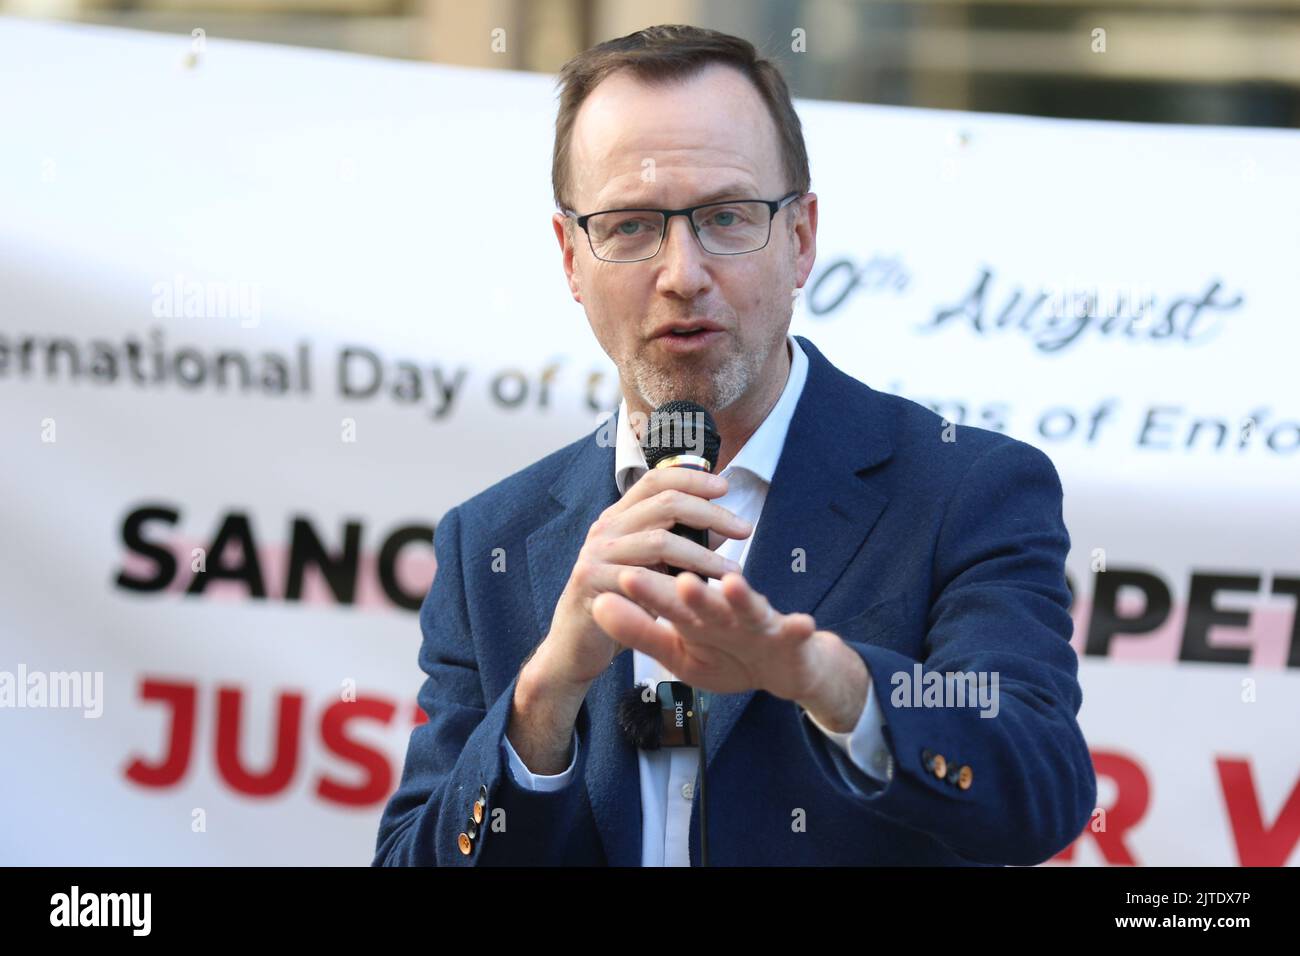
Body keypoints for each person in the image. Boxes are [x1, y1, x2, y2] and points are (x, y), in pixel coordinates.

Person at [373, 23, 1095, 866]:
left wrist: (836, 686)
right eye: (632, 226)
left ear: (801, 239)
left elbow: (1039, 787)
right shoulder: (491, 540)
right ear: (571, 258)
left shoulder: (965, 489)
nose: (682, 273)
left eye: (725, 217)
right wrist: (546, 693)